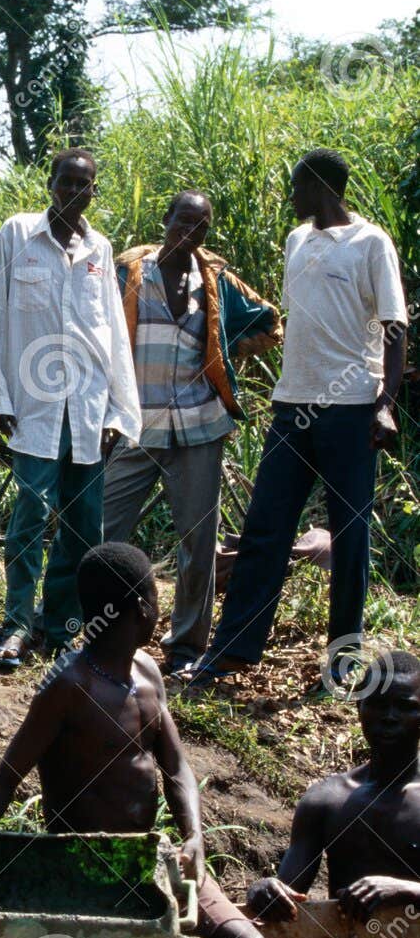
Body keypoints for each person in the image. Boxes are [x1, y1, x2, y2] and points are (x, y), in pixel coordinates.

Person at [0, 542, 267, 938]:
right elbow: (5, 775)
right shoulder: (68, 686)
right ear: (145, 607)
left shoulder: (148, 673)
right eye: (156, 594)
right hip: (83, 866)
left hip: (149, 860)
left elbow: (176, 766)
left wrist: (194, 835)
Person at [189, 149, 407, 691]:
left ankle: (341, 663)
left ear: (319, 185)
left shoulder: (371, 242)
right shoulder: (296, 240)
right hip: (292, 407)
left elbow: (395, 327)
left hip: (351, 408)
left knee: (350, 536)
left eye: (295, 185)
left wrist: (385, 403)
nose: (290, 195)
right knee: (265, 527)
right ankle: (233, 650)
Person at [103, 191, 280, 673]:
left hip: (200, 426)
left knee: (198, 542)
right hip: (139, 424)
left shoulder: (215, 279)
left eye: (201, 225)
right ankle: (94, 629)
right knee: (105, 528)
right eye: (183, 220)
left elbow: (268, 321)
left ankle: (185, 646)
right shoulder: (129, 272)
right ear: (165, 220)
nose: (191, 231)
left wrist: (220, 353)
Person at [0, 149, 141, 670]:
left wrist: (120, 409)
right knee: (29, 516)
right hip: (34, 406)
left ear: (94, 190)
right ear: (51, 184)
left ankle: (65, 628)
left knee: (82, 527)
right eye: (65, 182)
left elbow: (113, 332)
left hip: (89, 409)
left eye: (83, 184)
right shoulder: (17, 235)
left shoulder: (99, 247)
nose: (73, 191)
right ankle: (17, 626)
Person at [248, 649, 420, 924]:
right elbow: (289, 896)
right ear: (358, 708)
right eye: (377, 704)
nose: (389, 717)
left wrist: (407, 890)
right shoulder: (327, 800)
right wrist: (265, 892)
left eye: (405, 706)